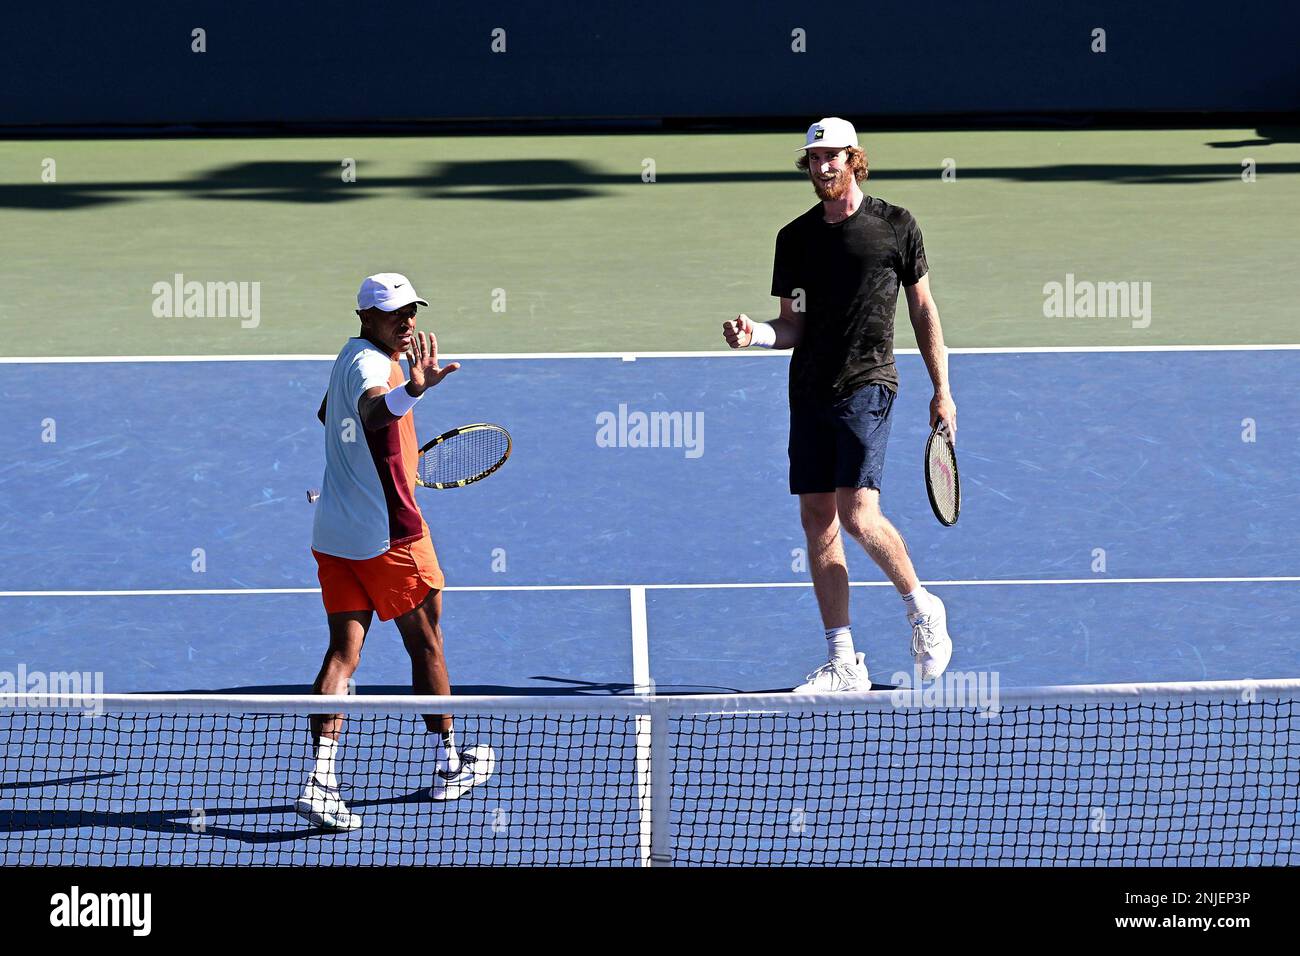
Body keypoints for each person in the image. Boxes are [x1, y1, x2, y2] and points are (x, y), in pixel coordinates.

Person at [723, 118, 956, 693]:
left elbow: (924, 311)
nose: (823, 166)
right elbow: (792, 326)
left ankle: (924, 610)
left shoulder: (896, 226)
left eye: (832, 156)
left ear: (854, 158)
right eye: (814, 158)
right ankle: (845, 661)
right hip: (808, 392)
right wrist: (754, 334)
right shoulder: (794, 238)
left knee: (857, 514)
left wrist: (942, 389)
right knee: (817, 521)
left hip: (868, 383)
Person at [297, 272, 494, 831]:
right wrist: (414, 390)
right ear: (365, 317)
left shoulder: (347, 356)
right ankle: (448, 766)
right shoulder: (373, 367)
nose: (406, 321)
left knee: (343, 655)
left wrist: (350, 474)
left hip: (335, 534)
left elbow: (330, 417)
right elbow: (374, 411)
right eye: (393, 313)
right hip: (390, 538)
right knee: (427, 644)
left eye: (411, 310)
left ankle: (320, 782)